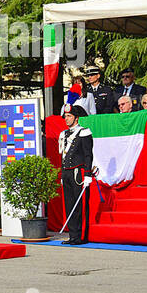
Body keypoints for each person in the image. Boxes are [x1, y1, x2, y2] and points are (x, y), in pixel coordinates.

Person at [59, 105, 95, 245]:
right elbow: (63, 157)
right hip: (67, 173)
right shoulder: (64, 134)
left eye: (69, 116)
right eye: (66, 116)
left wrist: (87, 174)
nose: (67, 119)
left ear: (76, 118)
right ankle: (72, 235)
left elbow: (88, 155)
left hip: (78, 174)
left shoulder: (84, 132)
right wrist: (63, 175)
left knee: (79, 205)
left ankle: (80, 236)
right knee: (69, 205)